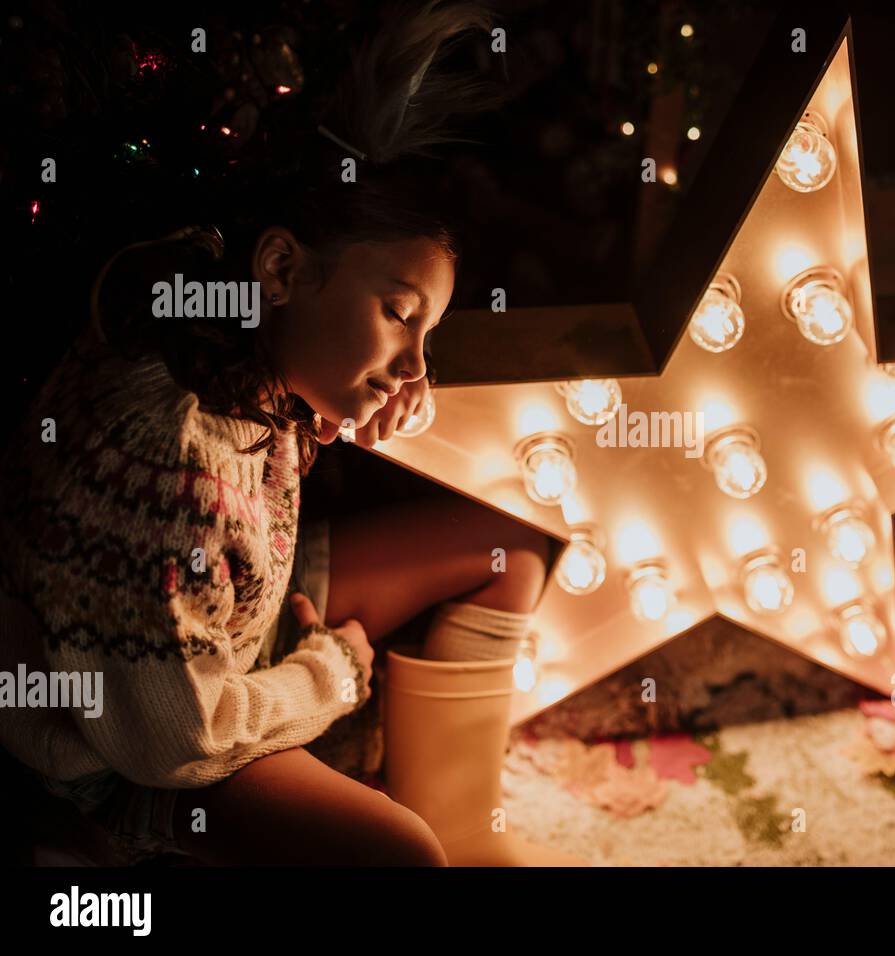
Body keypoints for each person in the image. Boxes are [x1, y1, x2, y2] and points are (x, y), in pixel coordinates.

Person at [0, 0, 583, 867]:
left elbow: (263, 431)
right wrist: (330, 674)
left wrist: (348, 412)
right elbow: (172, 740)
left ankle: (466, 828)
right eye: (399, 315)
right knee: (401, 855)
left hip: (235, 619)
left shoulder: (226, 321)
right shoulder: (165, 457)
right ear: (279, 267)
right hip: (130, 748)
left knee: (509, 550)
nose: (418, 365)